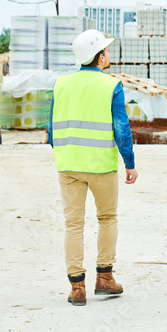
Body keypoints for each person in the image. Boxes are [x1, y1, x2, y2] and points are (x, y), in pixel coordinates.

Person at [48, 29, 138, 306]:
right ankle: (105, 278)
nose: (109, 54)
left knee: (73, 224)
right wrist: (130, 162)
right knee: (107, 219)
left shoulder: (61, 84)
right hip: (101, 166)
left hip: (69, 166)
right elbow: (122, 128)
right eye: (106, 50)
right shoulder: (112, 85)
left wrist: (65, 152)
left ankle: (77, 288)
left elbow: (51, 129)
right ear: (100, 56)